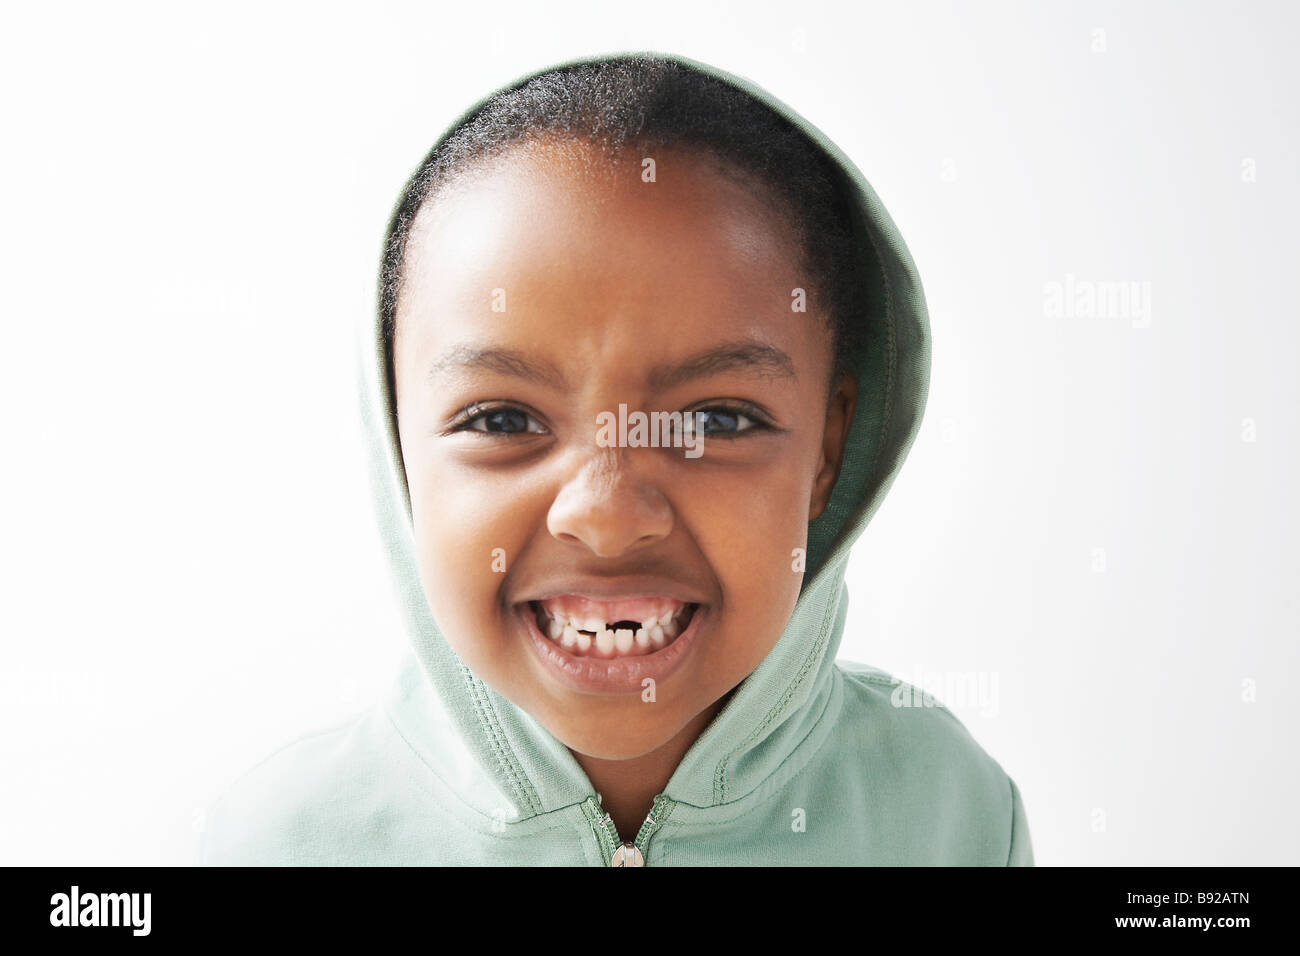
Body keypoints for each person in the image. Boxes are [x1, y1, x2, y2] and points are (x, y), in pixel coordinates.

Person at [200, 51, 1033, 866]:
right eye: (501, 417)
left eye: (716, 420)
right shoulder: (277, 844)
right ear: (398, 446)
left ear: (828, 448)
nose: (603, 515)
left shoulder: (951, 814)